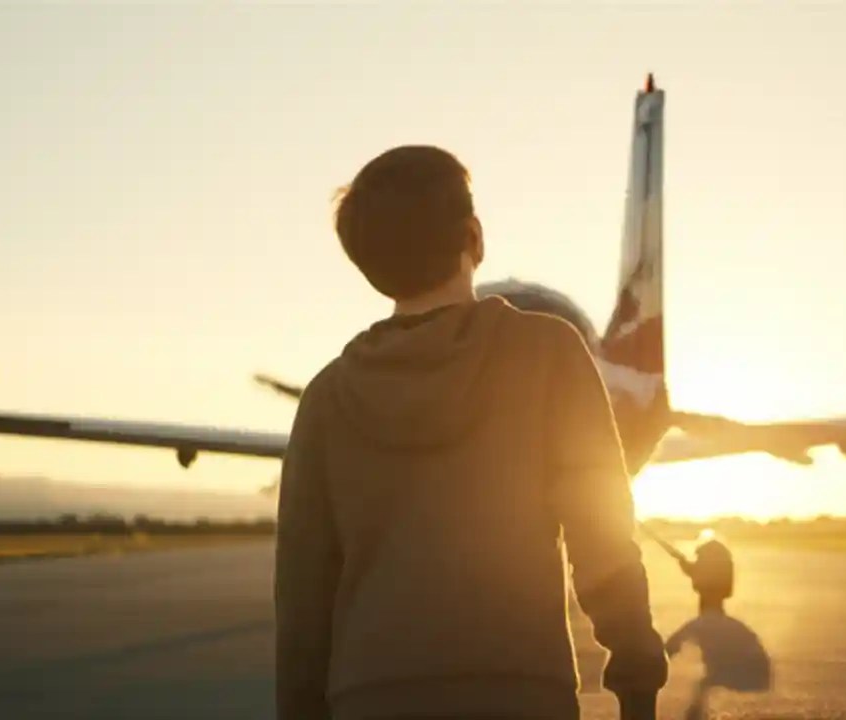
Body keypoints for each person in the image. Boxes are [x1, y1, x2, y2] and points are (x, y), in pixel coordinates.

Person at [275, 145, 668, 720]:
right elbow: (601, 535)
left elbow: (303, 600)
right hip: (520, 695)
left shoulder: (325, 398)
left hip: (369, 699)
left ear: (367, 265)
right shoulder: (549, 352)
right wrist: (637, 676)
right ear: (475, 238)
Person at [666, 536, 772, 720]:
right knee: (704, 680)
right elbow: (701, 576)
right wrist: (689, 567)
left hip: (741, 676)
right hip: (745, 674)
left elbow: (700, 578)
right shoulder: (723, 622)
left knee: (705, 676)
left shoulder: (706, 624)